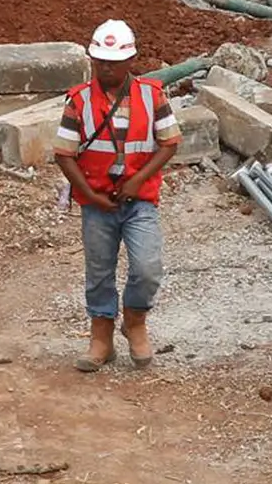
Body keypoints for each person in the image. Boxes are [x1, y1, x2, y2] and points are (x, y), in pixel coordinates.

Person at [54, 20, 181, 371]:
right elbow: (64, 153)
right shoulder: (79, 100)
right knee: (99, 271)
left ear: (130, 61)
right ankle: (101, 337)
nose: (106, 68)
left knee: (147, 267)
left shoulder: (152, 96)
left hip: (139, 201)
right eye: (100, 61)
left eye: (113, 62)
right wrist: (88, 195)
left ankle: (135, 322)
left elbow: (169, 142)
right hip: (97, 202)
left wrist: (137, 180)